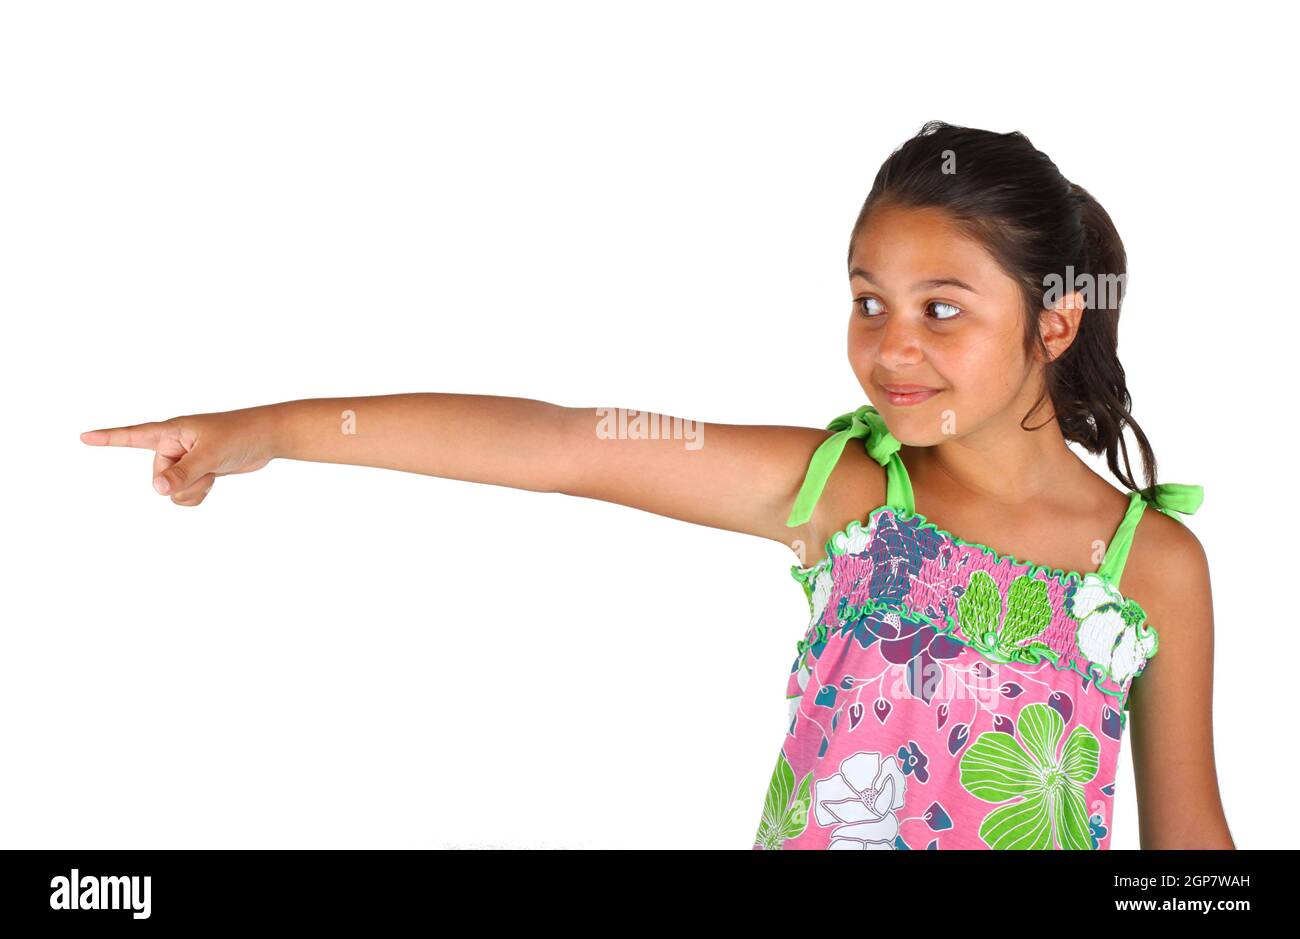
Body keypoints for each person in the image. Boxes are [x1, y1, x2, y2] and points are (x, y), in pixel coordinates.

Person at [80, 120, 1233, 850]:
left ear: (1054, 320)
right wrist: (269, 431)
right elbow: (563, 443)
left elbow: (1186, 846)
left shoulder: (1149, 566)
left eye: (942, 307)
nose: (890, 346)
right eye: (867, 299)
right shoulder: (842, 496)